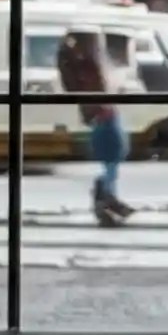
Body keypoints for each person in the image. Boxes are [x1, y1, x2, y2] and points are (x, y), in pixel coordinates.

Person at [56, 31, 134, 225]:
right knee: (114, 155)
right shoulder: (88, 68)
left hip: (99, 115)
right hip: (103, 114)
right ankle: (105, 193)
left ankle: (107, 194)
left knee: (113, 159)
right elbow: (99, 83)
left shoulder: (77, 69)